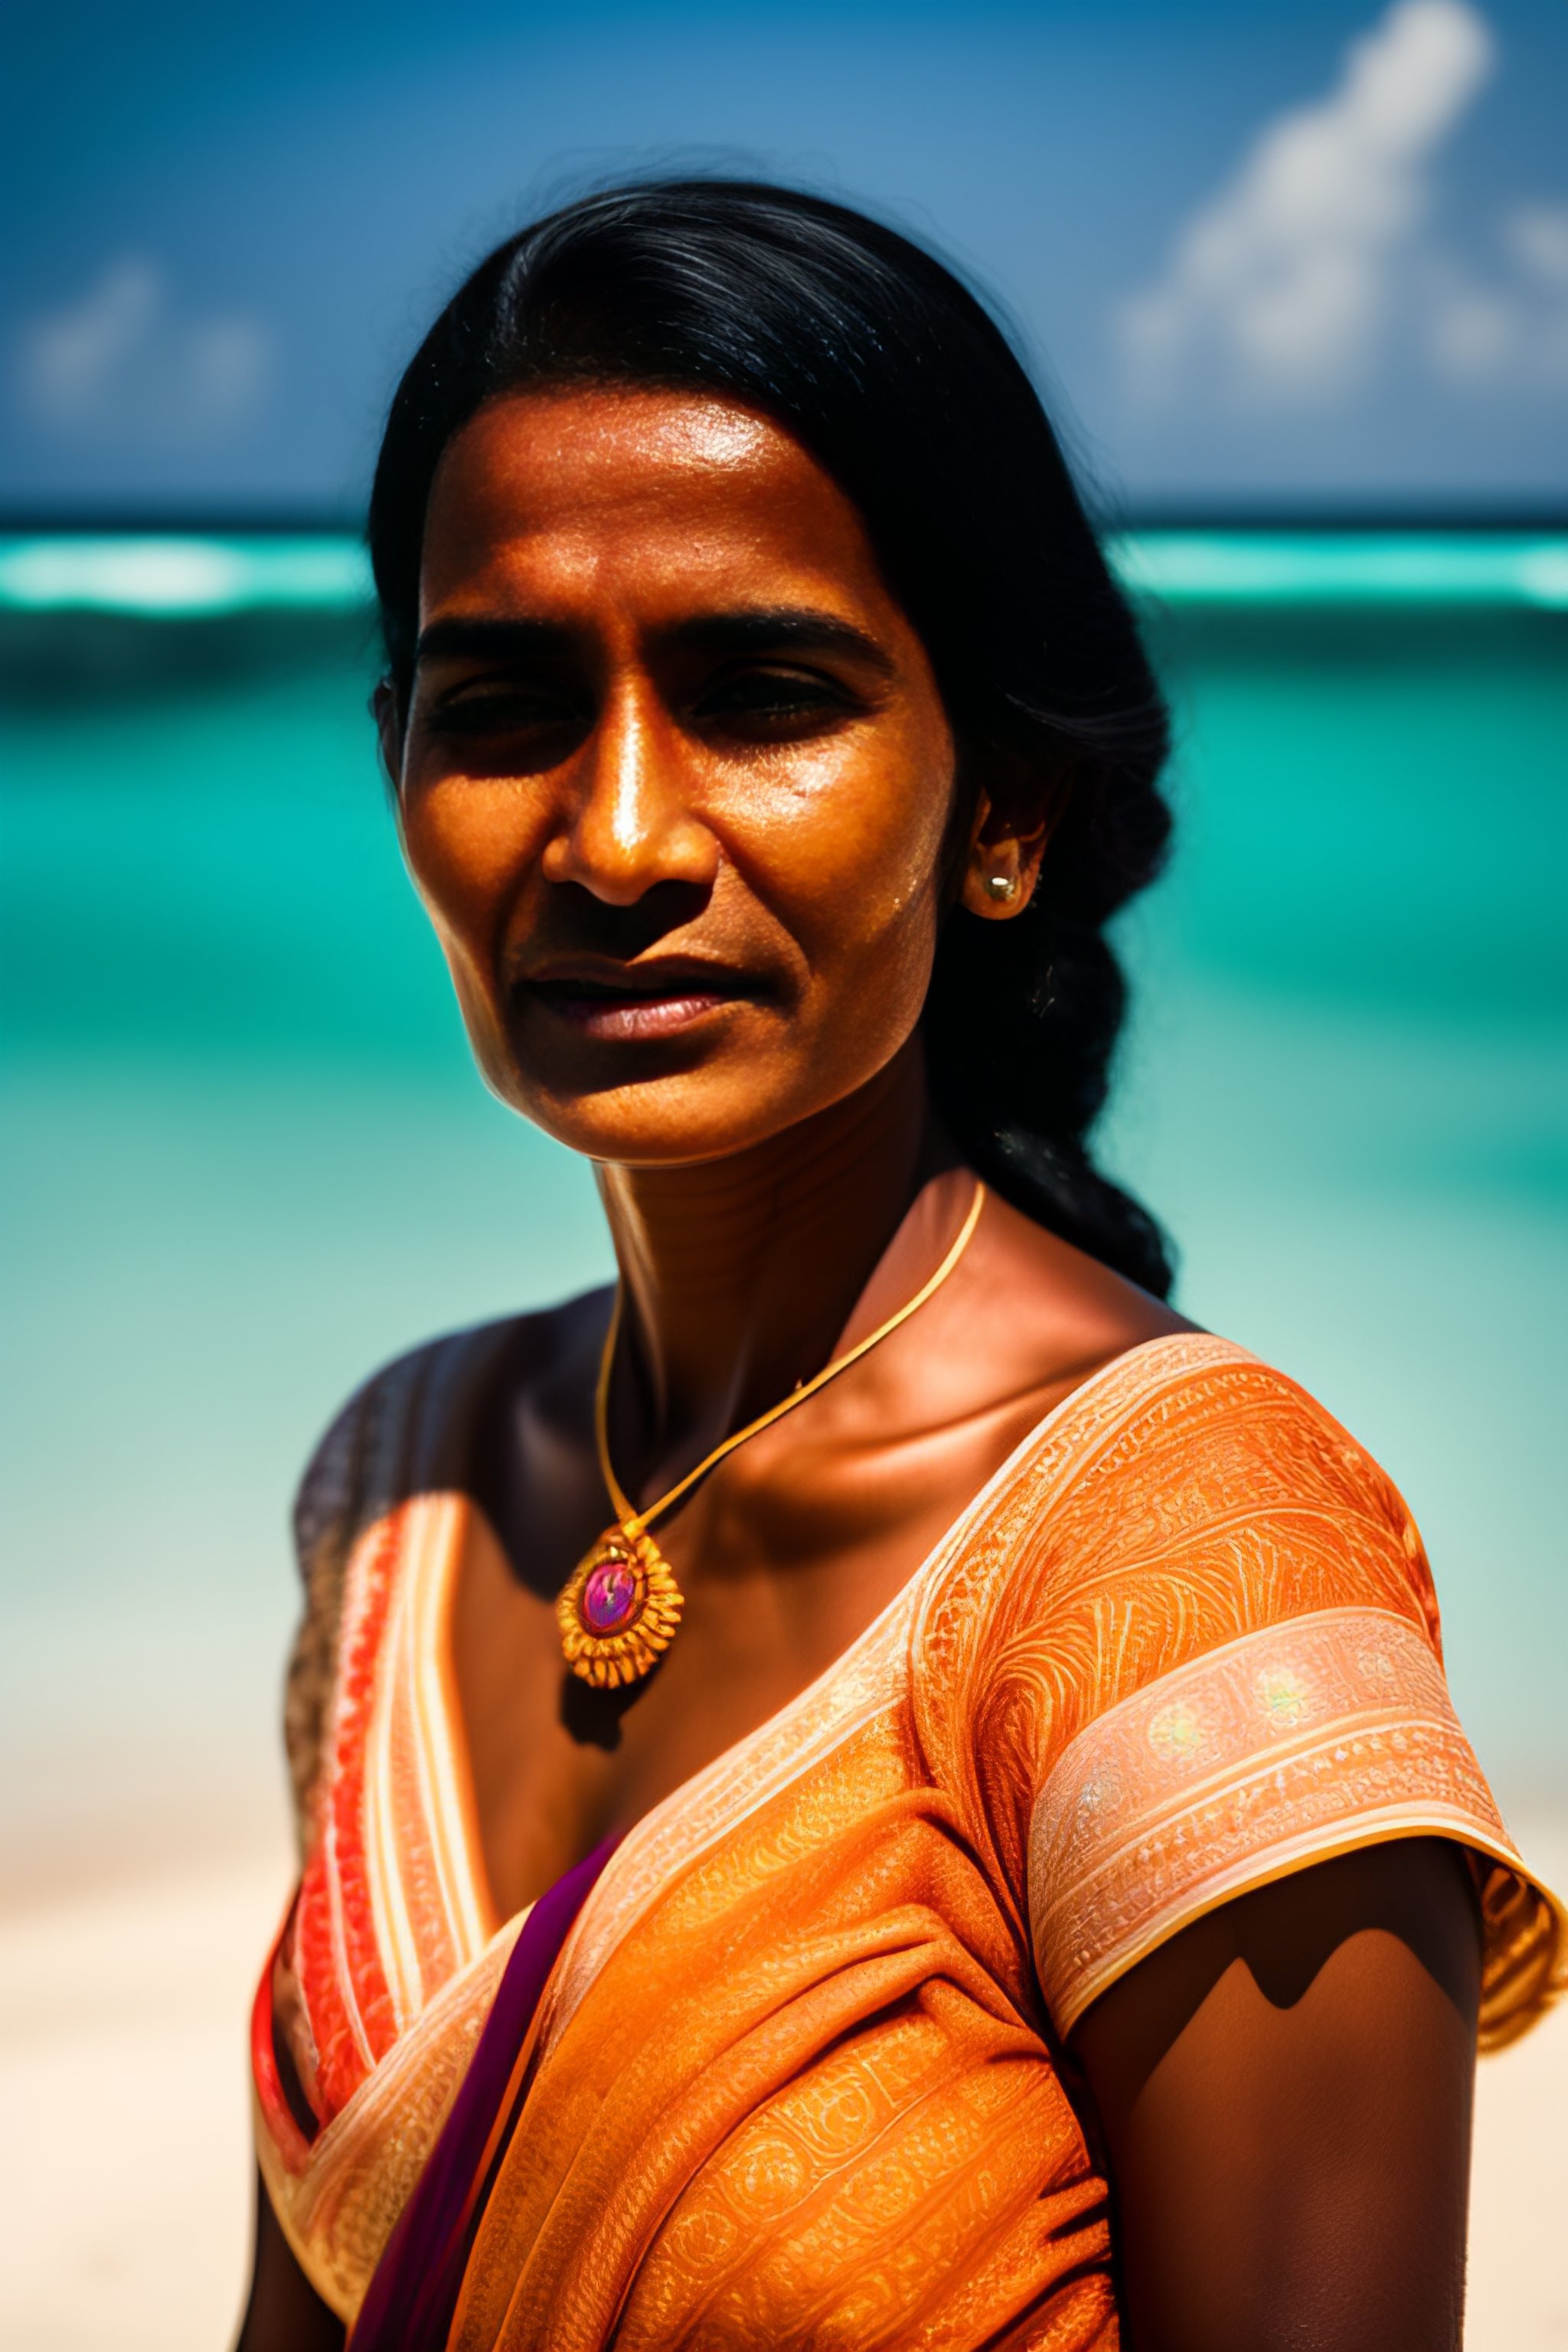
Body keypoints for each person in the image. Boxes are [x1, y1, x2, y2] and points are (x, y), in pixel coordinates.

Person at [237, 181, 1561, 2352]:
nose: (622, 836)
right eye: (506, 706)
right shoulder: (401, 1492)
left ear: (1003, 805)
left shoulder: (1183, 1577)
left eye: (765, 693)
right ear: (398, 761)